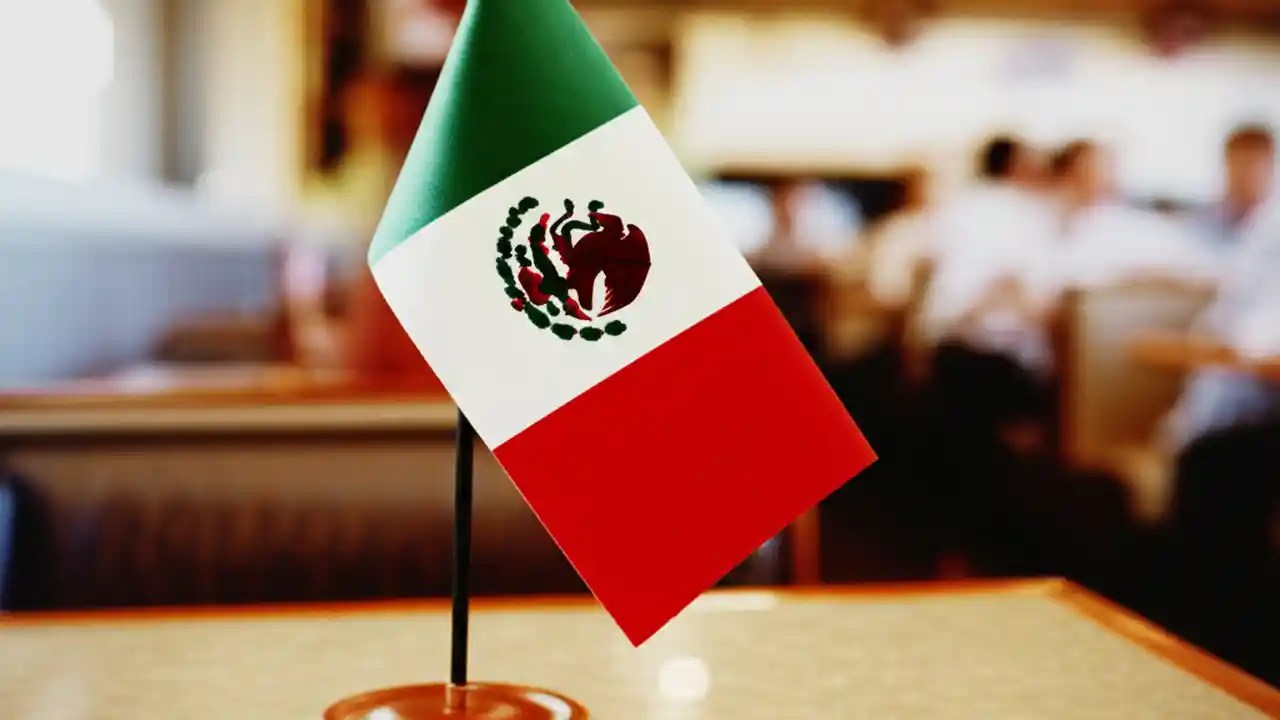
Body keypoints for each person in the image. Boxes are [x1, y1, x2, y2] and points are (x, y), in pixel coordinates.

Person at [1052, 140, 1216, 288]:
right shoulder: (1048, 223)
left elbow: (1185, 262)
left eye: (1105, 171)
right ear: (1067, 175)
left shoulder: (1131, 225)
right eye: (1089, 172)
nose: (1102, 179)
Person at [1187, 124, 1276, 261]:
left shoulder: (1272, 224)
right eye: (1235, 165)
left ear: (1270, 167)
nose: (1242, 176)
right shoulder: (1204, 219)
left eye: (1250, 165)